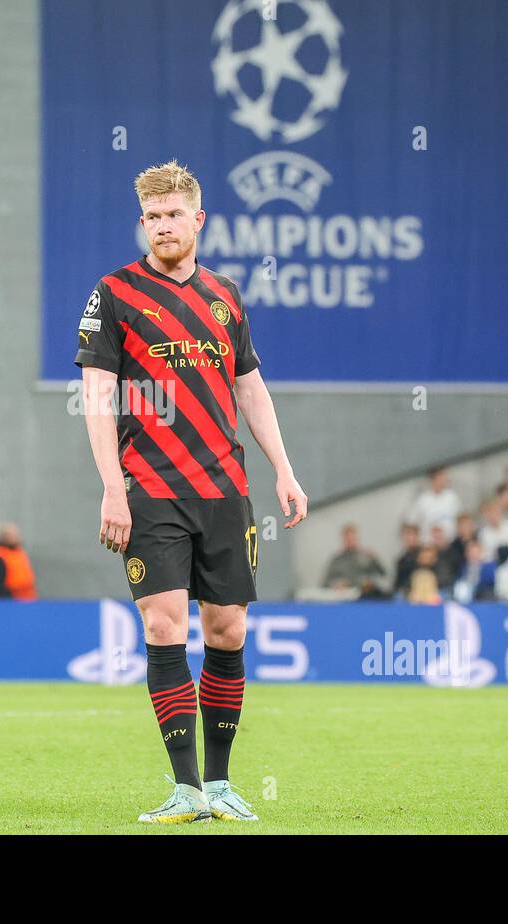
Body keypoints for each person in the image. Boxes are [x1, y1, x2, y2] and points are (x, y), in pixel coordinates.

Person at [75, 160, 306, 824]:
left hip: (224, 489)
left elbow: (249, 387)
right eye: (151, 217)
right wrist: (112, 488)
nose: (162, 226)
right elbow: (96, 396)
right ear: (141, 222)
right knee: (163, 624)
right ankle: (186, 789)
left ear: (197, 219)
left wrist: (283, 470)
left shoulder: (225, 296)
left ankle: (222, 781)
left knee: (227, 630)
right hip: (150, 489)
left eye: (173, 214)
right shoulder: (115, 293)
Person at [322, 524, 386, 598]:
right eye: (348, 539)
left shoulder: (367, 558)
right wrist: (335, 584)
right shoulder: (336, 561)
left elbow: (383, 578)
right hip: (342, 599)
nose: (350, 542)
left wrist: (375, 560)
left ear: (357, 538)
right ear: (343, 540)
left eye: (352, 539)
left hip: (365, 599)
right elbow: (324, 584)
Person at [0, 523, 36, 599]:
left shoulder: (19, 553)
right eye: (12, 535)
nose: (16, 538)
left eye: (16, 535)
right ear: (4, 537)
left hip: (26, 598)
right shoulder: (0, 556)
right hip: (11, 600)